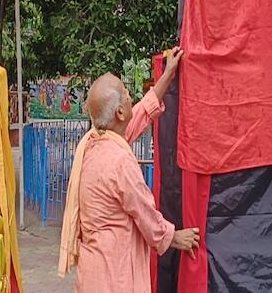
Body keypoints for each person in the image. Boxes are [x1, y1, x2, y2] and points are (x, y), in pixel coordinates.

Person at [57, 48, 199, 292]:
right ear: (120, 113)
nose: (131, 96)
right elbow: (145, 214)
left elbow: (143, 111)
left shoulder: (94, 143)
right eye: (125, 93)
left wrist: (168, 73)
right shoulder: (119, 161)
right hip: (115, 276)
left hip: (93, 274)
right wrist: (175, 237)